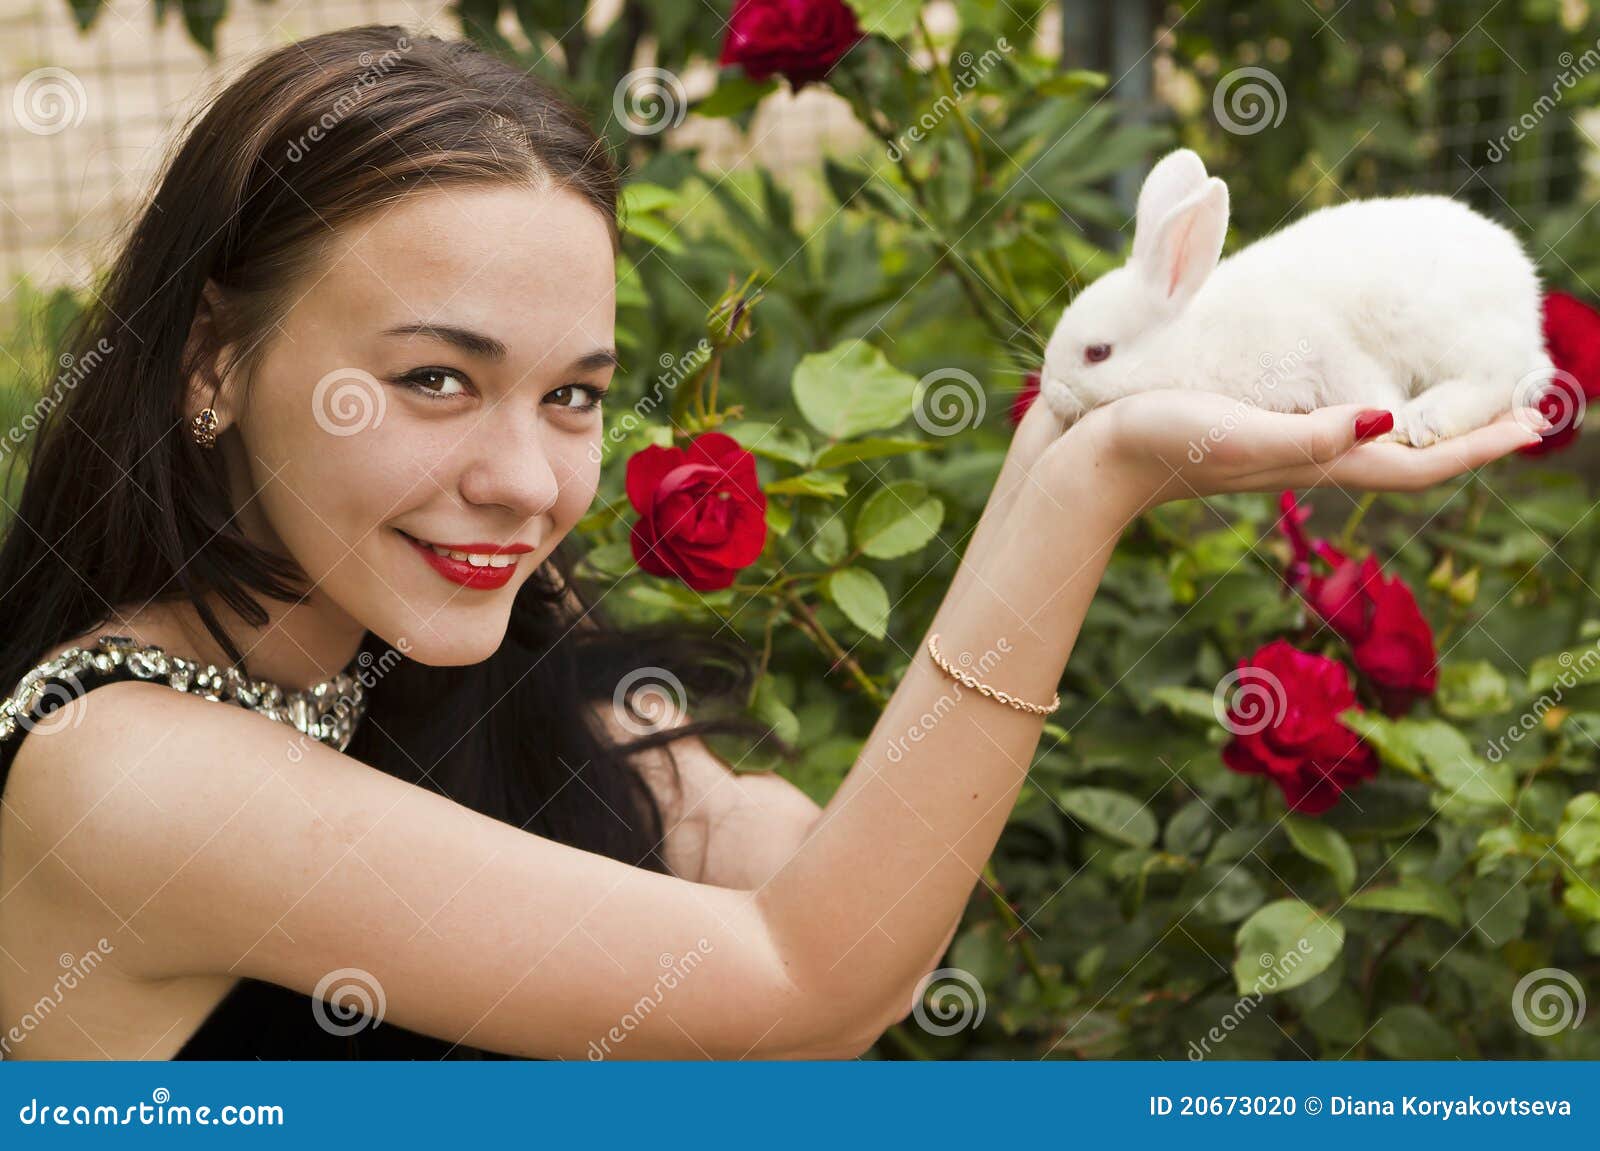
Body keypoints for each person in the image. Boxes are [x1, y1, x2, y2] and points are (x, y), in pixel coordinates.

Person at [0, 25, 1545, 1061]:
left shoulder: (400, 644)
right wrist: (1090, 487)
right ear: (212, 364)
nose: (526, 483)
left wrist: (1067, 436)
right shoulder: (129, 780)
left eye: (574, 395)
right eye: (433, 381)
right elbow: (811, 987)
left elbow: (799, 885)